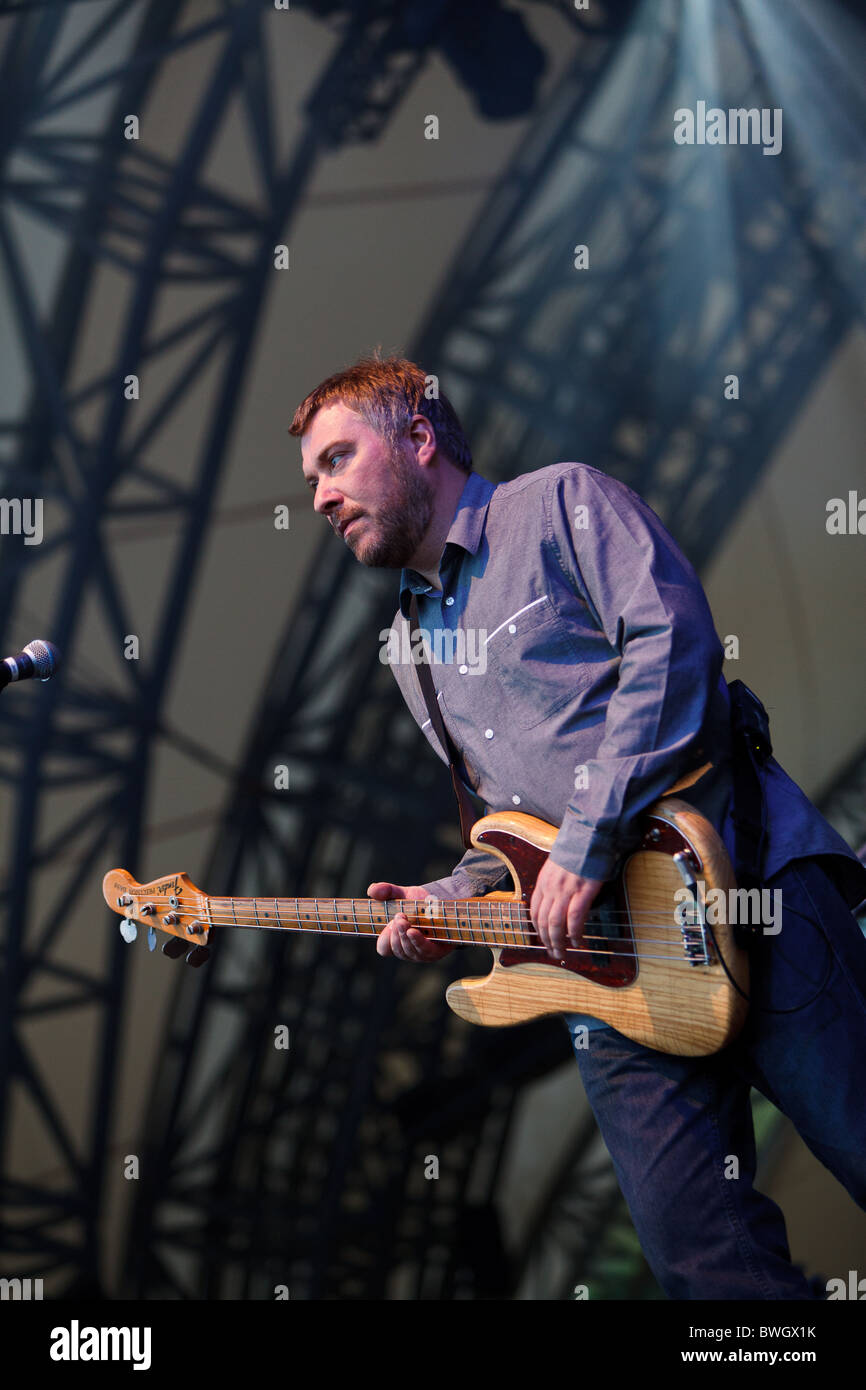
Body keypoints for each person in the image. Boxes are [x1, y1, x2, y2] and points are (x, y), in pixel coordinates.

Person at [291, 353, 866, 1300]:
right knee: (701, 1269)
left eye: (338, 459)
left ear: (419, 438)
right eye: (312, 478)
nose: (319, 496)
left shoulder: (559, 503)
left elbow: (673, 646)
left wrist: (587, 841)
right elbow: (506, 830)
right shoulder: (407, 649)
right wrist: (446, 897)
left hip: (750, 892)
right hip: (614, 981)